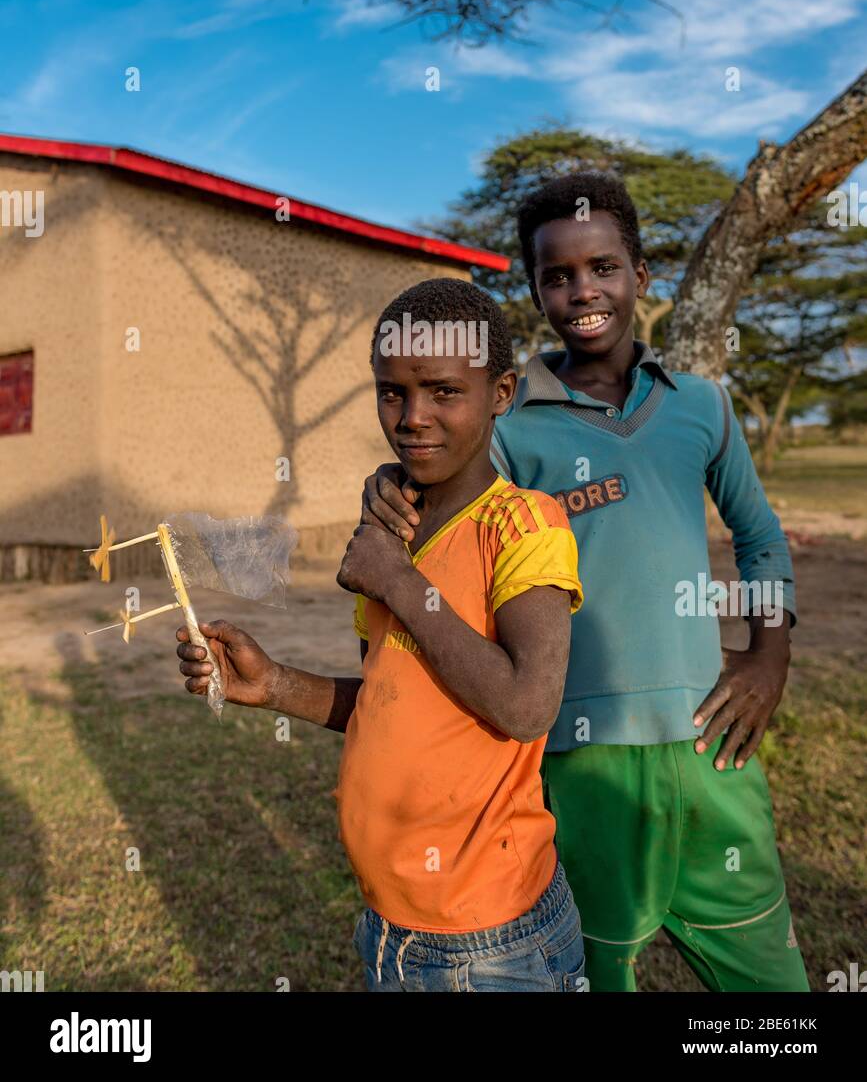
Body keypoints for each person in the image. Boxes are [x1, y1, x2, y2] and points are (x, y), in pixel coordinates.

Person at [363, 172, 810, 993]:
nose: (582, 291)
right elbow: (442, 493)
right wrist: (386, 482)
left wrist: (766, 657)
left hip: (712, 745)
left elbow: (757, 537)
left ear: (641, 275)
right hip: (575, 762)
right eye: (556, 275)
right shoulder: (509, 419)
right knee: (596, 970)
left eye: (602, 267)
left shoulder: (701, 406)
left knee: (768, 981)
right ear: (533, 288)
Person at [177, 277, 585, 992]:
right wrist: (274, 684)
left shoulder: (522, 525)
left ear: (501, 393)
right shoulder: (390, 528)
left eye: (442, 392)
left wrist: (395, 580)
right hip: (392, 926)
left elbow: (526, 706)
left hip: (490, 941)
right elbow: (397, 702)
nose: (412, 417)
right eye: (391, 392)